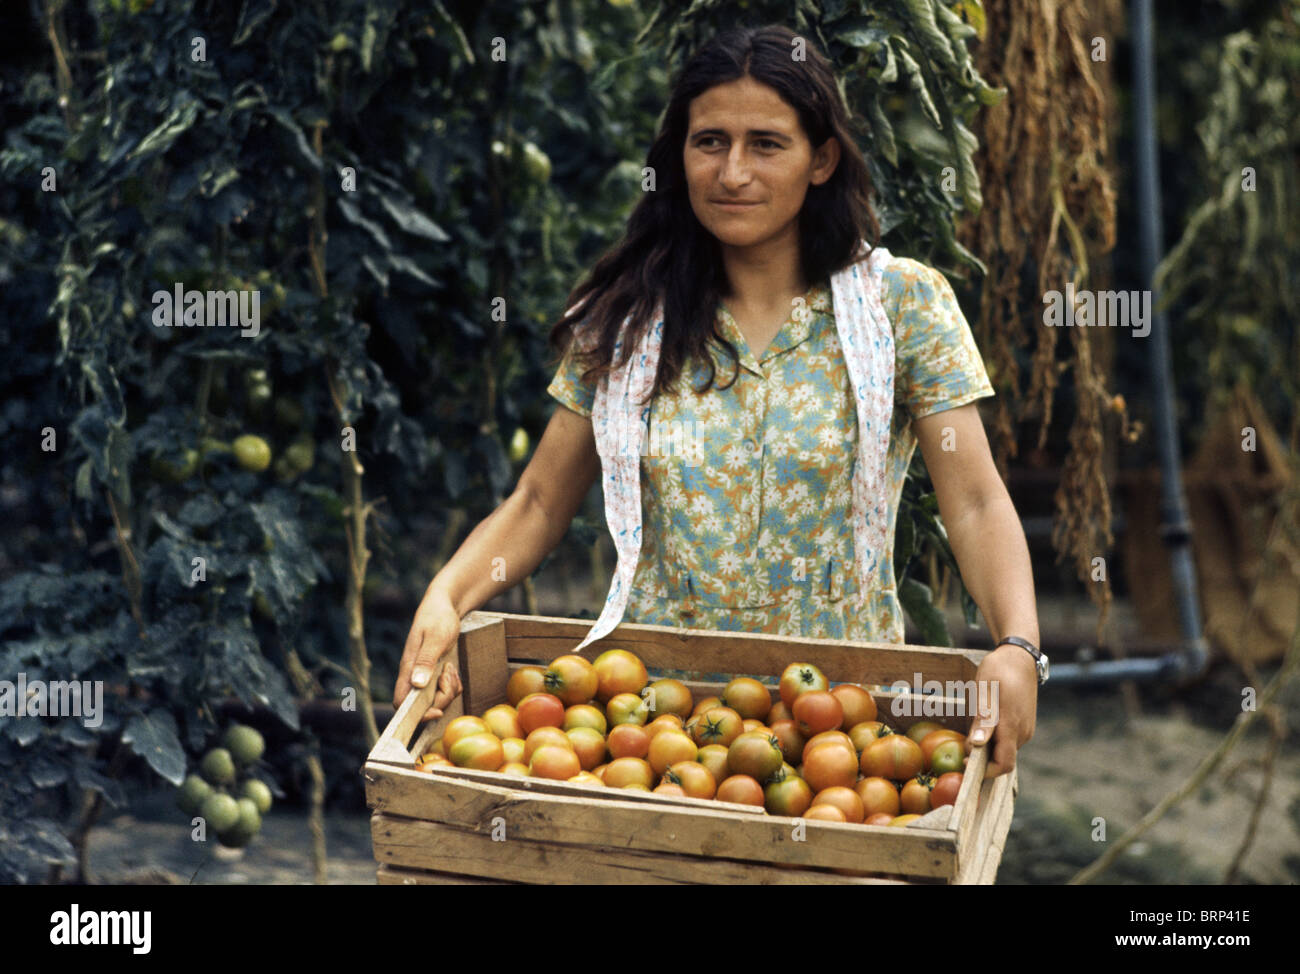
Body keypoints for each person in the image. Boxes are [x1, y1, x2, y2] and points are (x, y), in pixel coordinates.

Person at [396, 25, 1039, 778]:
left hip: (842, 731)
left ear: (822, 158)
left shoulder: (900, 307)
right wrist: (447, 595)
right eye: (710, 142)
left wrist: (1018, 644)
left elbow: (975, 503)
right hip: (654, 723)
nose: (733, 172)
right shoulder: (630, 318)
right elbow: (539, 500)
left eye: (766, 144)